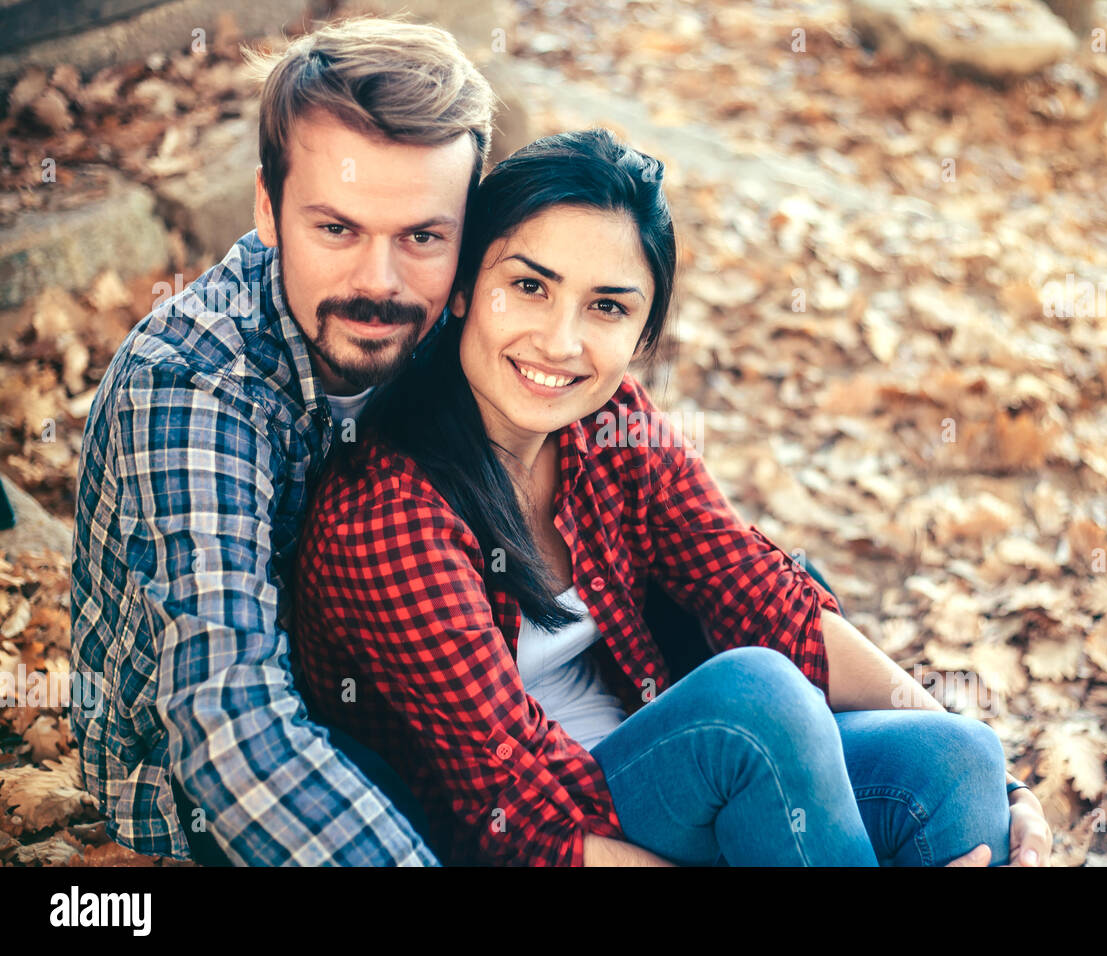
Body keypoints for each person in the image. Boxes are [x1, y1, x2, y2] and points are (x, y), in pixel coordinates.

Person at [290, 128, 1054, 866]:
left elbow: (765, 601)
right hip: (533, 839)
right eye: (529, 287)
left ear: (642, 333)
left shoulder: (611, 423)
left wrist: (1012, 782)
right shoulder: (386, 515)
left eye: (607, 307)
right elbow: (511, 819)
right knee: (756, 704)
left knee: (960, 761)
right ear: (462, 293)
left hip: (658, 780)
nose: (561, 342)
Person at [68, 16, 497, 865]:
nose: (379, 283)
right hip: (199, 790)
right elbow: (229, 723)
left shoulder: (464, 311)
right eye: (335, 229)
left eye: (421, 235)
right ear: (267, 206)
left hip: (407, 691)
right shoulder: (190, 383)